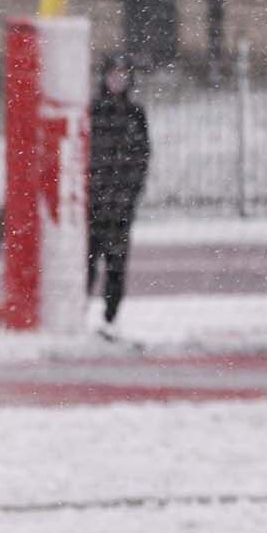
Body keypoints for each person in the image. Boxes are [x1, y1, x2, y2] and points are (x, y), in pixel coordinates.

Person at [87, 52, 152, 335]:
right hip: (93, 204)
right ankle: (79, 315)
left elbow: (142, 157)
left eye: (123, 74)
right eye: (113, 73)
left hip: (120, 205)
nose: (117, 80)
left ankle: (111, 318)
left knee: (116, 264)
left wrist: (129, 192)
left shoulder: (135, 113)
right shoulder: (93, 111)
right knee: (86, 263)